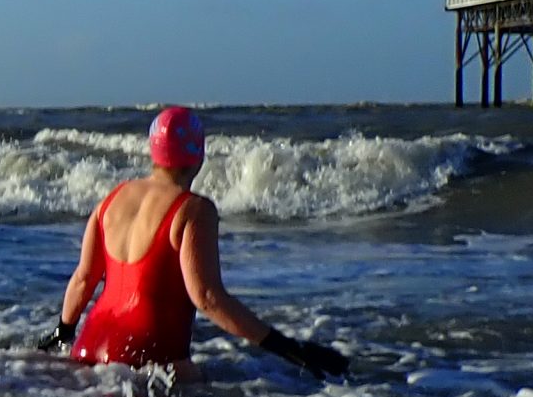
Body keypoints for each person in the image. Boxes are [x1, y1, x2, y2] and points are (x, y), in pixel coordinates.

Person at [46, 106, 349, 381]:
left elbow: (84, 278)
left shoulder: (111, 201)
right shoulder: (194, 210)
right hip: (148, 360)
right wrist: (289, 349)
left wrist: (62, 332)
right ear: (199, 155)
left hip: (88, 349)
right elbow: (206, 297)